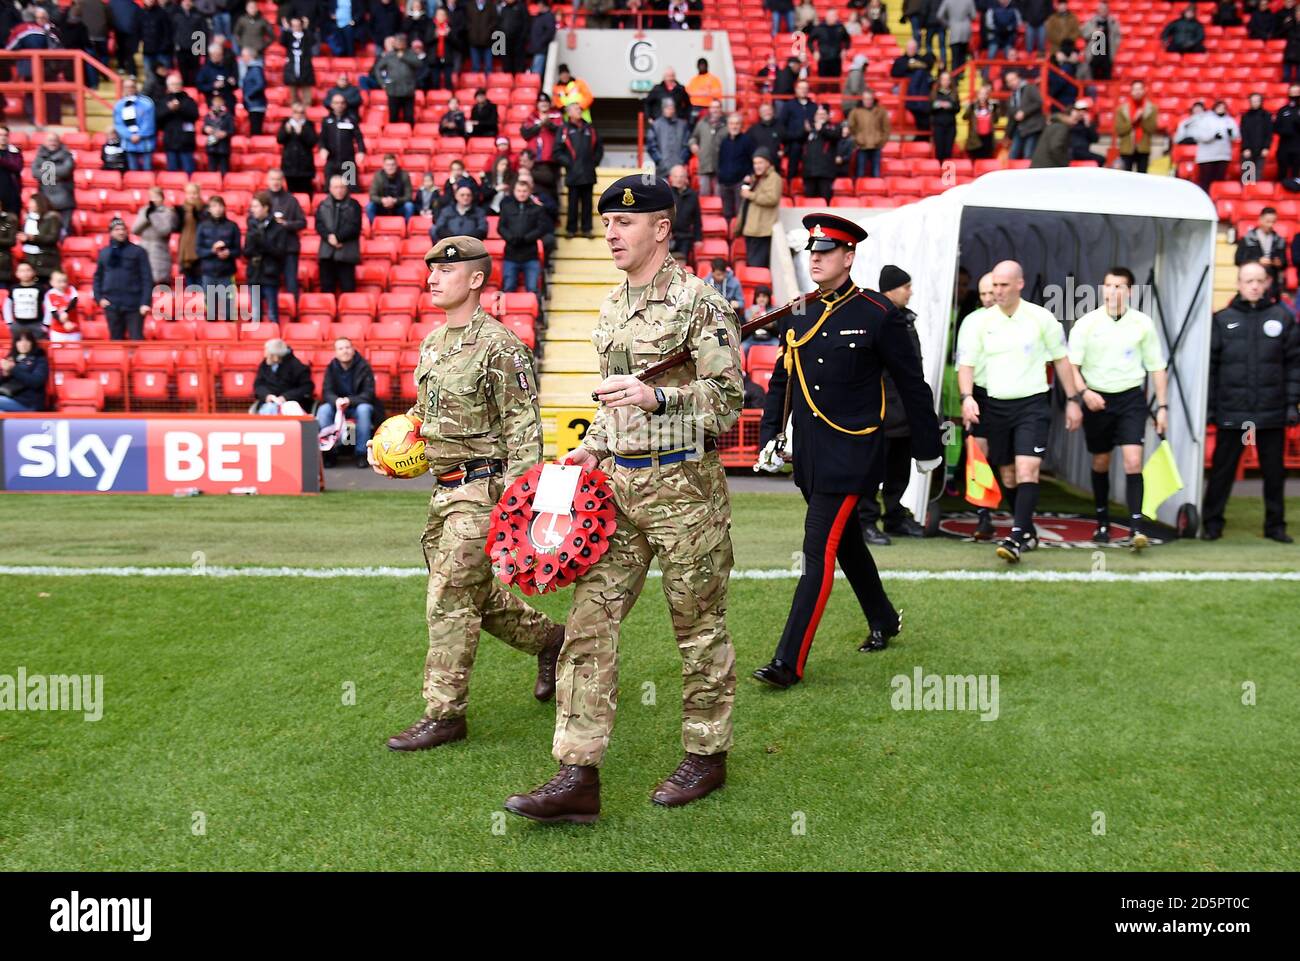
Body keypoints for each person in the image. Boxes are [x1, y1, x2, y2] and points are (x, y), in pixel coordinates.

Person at [504, 175, 742, 823]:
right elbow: (614, 398)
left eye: (625, 223)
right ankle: (577, 773)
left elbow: (727, 404)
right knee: (588, 623)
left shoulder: (700, 303)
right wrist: (595, 448)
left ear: (661, 229)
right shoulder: (610, 306)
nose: (610, 231)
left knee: (697, 624)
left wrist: (659, 395)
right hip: (619, 486)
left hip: (685, 489)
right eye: (606, 221)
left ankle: (706, 753)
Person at [372, 234, 562, 750]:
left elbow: (525, 432)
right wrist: (395, 443)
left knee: (448, 598)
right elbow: (427, 414)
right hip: (443, 489)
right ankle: (553, 641)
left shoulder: (502, 347)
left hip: (482, 493)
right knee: (473, 593)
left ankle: (445, 713)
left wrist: (521, 505)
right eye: (430, 270)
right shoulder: (434, 343)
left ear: (476, 279)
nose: (432, 278)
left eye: (445, 271)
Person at [751, 215, 943, 688]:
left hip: (854, 453)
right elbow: (782, 381)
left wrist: (927, 447)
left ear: (849, 256)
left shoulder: (878, 314)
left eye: (826, 251)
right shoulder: (799, 312)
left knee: (817, 549)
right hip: (811, 455)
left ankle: (787, 662)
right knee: (848, 543)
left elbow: (912, 385)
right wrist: (771, 435)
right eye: (811, 252)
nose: (814, 258)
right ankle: (884, 617)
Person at [957, 260, 1080, 563]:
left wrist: (1074, 400)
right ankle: (1027, 529)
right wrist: (967, 397)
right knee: (1009, 476)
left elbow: (1062, 361)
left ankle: (1015, 537)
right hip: (996, 405)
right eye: (994, 285)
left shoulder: (1041, 318)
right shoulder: (979, 322)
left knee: (1028, 469)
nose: (997, 291)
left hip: (1033, 404)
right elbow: (966, 365)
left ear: (1019, 285)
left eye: (1003, 285)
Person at [1065, 267, 1169, 549]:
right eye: (1108, 286)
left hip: (1131, 399)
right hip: (1096, 399)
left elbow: (1157, 367)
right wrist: (1083, 393)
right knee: (1101, 461)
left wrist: (1163, 407)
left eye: (1119, 287)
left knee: (1134, 460)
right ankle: (1102, 521)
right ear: (1102, 289)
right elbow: (1071, 365)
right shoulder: (1087, 323)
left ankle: (1136, 527)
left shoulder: (1142, 324)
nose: (1113, 292)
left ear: (1130, 291)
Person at [1203, 262, 1300, 543]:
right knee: (1223, 471)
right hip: (1233, 411)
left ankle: (1275, 526)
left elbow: (1294, 366)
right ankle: (1212, 523)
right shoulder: (1222, 319)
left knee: (1274, 473)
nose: (1255, 285)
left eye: (1259, 280)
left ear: (1267, 283)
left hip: (1271, 411)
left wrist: (1291, 405)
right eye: (1249, 280)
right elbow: (1211, 367)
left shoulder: (1282, 318)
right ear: (1238, 283)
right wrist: (1210, 407)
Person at [855, 264, 931, 544]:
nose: (910, 293)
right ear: (891, 289)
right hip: (882, 407)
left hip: (904, 408)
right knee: (873, 469)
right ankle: (866, 521)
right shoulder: (877, 317)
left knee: (900, 468)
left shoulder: (906, 319)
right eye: (906, 287)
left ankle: (895, 517)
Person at [317, 337, 382, 467]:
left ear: (353, 350)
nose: (345, 351)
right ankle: (329, 452)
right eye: (341, 348)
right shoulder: (331, 368)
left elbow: (368, 394)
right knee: (323, 410)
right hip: (337, 406)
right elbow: (326, 392)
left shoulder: (364, 366)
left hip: (357, 405)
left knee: (364, 409)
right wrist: (336, 401)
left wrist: (349, 400)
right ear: (336, 352)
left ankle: (361, 453)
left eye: (347, 347)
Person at [92, 217, 154, 340]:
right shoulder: (104, 253)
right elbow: (98, 277)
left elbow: (147, 278)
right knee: (116, 341)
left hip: (134, 305)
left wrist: (145, 302)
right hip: (112, 305)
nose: (121, 232)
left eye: (123, 229)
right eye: (117, 229)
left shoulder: (138, 252)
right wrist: (99, 298)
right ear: (111, 232)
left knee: (137, 339)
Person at [557, 101, 602, 238]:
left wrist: (593, 162)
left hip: (588, 173)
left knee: (588, 203)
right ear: (569, 113)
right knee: (573, 203)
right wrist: (570, 164)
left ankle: (587, 229)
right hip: (573, 174)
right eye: (576, 109)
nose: (579, 111)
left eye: (579, 109)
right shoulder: (563, 129)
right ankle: (571, 229)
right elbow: (557, 151)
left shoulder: (590, 128)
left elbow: (599, 148)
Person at [243, 192, 288, 323]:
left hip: (270, 274)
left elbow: (280, 252)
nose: (253, 210)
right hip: (254, 274)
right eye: (252, 206)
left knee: (272, 314)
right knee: (255, 314)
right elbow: (246, 253)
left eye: (256, 206)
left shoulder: (278, 228)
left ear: (265, 207)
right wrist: (253, 244)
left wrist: (263, 243)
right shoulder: (251, 228)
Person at [496, 178, 546, 295]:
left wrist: (526, 238)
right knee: (508, 287)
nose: (522, 193)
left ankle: (536, 312)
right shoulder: (507, 207)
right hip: (510, 255)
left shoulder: (538, 208)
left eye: (524, 191)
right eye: (519, 191)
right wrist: (511, 238)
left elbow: (541, 228)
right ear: (514, 191)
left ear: (529, 192)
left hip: (530, 255)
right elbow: (501, 227)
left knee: (533, 289)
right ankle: (507, 313)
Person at [195, 195, 241, 320]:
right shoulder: (202, 226)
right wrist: (212, 251)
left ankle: (229, 337)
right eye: (214, 206)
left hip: (227, 273)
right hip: (208, 273)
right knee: (210, 311)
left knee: (228, 310)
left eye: (220, 206)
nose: (218, 209)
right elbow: (198, 251)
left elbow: (238, 250)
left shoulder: (232, 226)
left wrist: (229, 253)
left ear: (225, 208)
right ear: (209, 209)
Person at [316, 174, 363, 294]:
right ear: (330, 188)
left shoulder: (354, 205)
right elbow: (319, 225)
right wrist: (329, 237)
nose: (339, 190)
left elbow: (354, 227)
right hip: (327, 254)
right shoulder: (323, 205)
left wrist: (338, 238)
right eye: (336, 187)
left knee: (348, 288)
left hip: (346, 254)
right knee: (326, 288)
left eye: (342, 187)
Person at [265, 168, 306, 296]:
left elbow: (302, 222)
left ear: (283, 181)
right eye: (272, 179)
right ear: (268, 180)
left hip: (289, 247)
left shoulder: (291, 200)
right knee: (270, 282)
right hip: (269, 248)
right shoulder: (262, 199)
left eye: (278, 179)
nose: (275, 182)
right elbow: (252, 221)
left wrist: (286, 224)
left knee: (291, 282)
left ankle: (294, 311)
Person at [740, 149, 782, 268]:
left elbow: (772, 199)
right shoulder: (757, 178)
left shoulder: (774, 178)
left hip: (761, 231)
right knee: (752, 265)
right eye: (755, 163)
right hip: (752, 229)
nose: (757, 166)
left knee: (757, 266)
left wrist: (751, 195)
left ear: (768, 163)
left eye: (760, 163)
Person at [1237, 206, 1288, 298]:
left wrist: (1279, 263)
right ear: (1260, 220)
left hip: (1272, 285)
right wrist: (1257, 261)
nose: (1270, 225)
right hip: (1251, 283)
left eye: (1273, 222)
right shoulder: (1247, 238)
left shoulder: (1279, 240)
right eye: (1267, 221)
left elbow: (1284, 263)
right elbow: (1238, 259)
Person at [1192, 100, 1241, 191]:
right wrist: (1213, 136)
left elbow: (1236, 136)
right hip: (1207, 156)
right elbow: (1200, 135)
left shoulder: (1229, 120)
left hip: (1223, 155)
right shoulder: (1206, 119)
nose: (1221, 109)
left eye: (1223, 107)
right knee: (1206, 180)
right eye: (1219, 107)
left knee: (1219, 181)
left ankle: (1217, 196)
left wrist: (1231, 134)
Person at [254, 338, 312, 413]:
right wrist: (267, 396)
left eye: (269, 355)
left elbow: (306, 387)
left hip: (290, 403)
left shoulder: (297, 366)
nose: (265, 356)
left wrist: (285, 397)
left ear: (276, 357)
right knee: (268, 408)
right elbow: (258, 384)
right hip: (268, 403)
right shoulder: (264, 365)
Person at [371, 34, 420, 125]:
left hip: (408, 91)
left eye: (402, 41)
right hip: (393, 90)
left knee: (409, 117)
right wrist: (382, 83)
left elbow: (418, 65)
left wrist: (404, 57)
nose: (400, 43)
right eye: (398, 41)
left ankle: (409, 134)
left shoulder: (411, 54)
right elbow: (378, 68)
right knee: (393, 116)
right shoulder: (389, 55)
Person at [133, 187, 177, 285]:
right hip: (144, 249)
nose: (154, 199)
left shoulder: (168, 212)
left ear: (162, 198)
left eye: (156, 197)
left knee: (160, 286)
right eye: (152, 197)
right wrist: (146, 217)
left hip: (160, 251)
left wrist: (152, 216)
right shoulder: (144, 211)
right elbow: (135, 230)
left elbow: (165, 231)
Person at [157, 73, 199, 174]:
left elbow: (195, 115)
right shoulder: (163, 101)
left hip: (186, 141)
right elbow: (158, 118)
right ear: (168, 86)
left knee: (189, 170)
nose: (176, 86)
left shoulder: (189, 100)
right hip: (170, 140)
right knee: (172, 172)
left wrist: (179, 108)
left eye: (177, 84)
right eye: (173, 84)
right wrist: (169, 109)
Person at [113, 76, 157, 171]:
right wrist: (130, 136)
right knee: (133, 171)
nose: (129, 89)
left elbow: (149, 122)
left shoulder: (147, 103)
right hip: (129, 143)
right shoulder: (119, 105)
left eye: (131, 86)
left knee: (147, 169)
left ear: (136, 87)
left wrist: (139, 135)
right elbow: (118, 124)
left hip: (146, 142)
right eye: (127, 87)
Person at [1114, 80, 1158, 174]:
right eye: (1135, 89)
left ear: (1144, 90)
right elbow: (1120, 130)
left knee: (1142, 177)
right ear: (1131, 91)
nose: (1137, 91)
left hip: (1143, 148)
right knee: (1125, 176)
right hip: (1126, 148)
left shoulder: (1152, 108)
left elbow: (1151, 129)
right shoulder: (1121, 109)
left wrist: (1142, 119)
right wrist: (1133, 121)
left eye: (1140, 89)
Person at [777, 78, 818, 178]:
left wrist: (811, 129)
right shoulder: (788, 106)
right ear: (796, 90)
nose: (803, 90)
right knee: (793, 166)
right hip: (793, 142)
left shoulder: (814, 106)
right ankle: (791, 185)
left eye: (805, 88)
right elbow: (782, 125)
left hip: (810, 142)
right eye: (801, 88)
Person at [277, 100, 318, 196]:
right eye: (296, 112)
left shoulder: (309, 124)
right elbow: (279, 140)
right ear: (292, 112)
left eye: (301, 112)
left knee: (306, 193)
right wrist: (286, 131)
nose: (298, 115)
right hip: (289, 166)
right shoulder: (286, 123)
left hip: (305, 167)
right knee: (291, 193)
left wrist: (302, 133)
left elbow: (312, 142)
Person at [0, 331, 47, 412]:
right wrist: (4, 375)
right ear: (15, 343)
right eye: (19, 340)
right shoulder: (11, 357)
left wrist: (13, 369)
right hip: (8, 397)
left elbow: (36, 382)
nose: (23, 344)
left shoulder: (39, 360)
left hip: (28, 403)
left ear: (32, 343)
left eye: (27, 340)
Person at [18, 194, 61, 283]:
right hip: (30, 258)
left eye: (31, 202)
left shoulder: (52, 218)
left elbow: (53, 238)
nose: (29, 205)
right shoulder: (29, 218)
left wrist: (33, 238)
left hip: (46, 258)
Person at [1004, 69, 1044, 161]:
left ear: (1018, 78)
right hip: (1020, 129)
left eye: (1013, 79)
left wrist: (1024, 112)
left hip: (1032, 127)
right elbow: (1011, 118)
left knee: (1028, 154)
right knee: (1012, 155)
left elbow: (1039, 102)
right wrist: (1007, 135)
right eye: (1009, 81)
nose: (1012, 83)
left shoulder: (1030, 88)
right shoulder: (1011, 98)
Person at [647, 97, 690, 181]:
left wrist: (681, 161)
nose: (670, 110)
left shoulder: (683, 125)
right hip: (662, 170)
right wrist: (660, 161)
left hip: (679, 171)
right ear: (663, 109)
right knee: (663, 192)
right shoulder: (656, 125)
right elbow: (651, 146)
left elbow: (687, 145)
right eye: (667, 107)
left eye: (671, 107)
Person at [174, 182, 207, 289]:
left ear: (199, 194)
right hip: (186, 251)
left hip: (201, 251)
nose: (192, 196)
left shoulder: (205, 209)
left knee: (201, 286)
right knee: (190, 287)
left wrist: (197, 213)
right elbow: (177, 229)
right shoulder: (182, 210)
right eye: (189, 193)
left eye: (194, 193)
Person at [690, 99, 726, 197]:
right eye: (713, 107)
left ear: (721, 109)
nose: (715, 110)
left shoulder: (727, 124)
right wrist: (693, 144)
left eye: (717, 107)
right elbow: (693, 137)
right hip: (705, 164)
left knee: (719, 196)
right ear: (709, 109)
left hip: (721, 166)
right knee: (704, 195)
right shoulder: (702, 123)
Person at [367, 153, 414, 223]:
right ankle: (374, 227)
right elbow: (372, 196)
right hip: (382, 206)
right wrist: (382, 200)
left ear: (396, 165)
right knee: (370, 206)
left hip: (398, 206)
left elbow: (409, 196)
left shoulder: (404, 175)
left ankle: (406, 228)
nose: (390, 167)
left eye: (393, 165)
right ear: (383, 166)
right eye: (388, 165)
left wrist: (395, 201)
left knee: (409, 206)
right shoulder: (378, 176)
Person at [1079, 1, 1120, 81]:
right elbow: (1083, 34)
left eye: (1105, 8)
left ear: (1108, 10)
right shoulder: (1091, 22)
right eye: (1101, 8)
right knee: (1091, 79)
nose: (1103, 10)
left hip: (1107, 56)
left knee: (1107, 80)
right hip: (1094, 56)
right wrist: (1094, 32)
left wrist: (1115, 48)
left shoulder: (1113, 22)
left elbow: (1117, 37)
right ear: (1098, 9)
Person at [280, 15, 316, 105]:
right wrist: (285, 29)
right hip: (292, 65)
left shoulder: (306, 35)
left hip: (305, 65)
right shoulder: (289, 36)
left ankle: (307, 109)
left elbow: (313, 41)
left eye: (298, 25)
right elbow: (282, 41)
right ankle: (294, 110)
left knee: (306, 90)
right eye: (294, 25)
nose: (296, 27)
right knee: (292, 92)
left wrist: (306, 28)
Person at [4, 263, 46, 338]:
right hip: (18, 324)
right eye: (22, 271)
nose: (25, 273)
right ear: (17, 273)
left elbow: (48, 306)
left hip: (36, 324)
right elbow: (7, 305)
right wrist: (9, 322)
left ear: (34, 272)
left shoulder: (40, 288)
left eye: (28, 270)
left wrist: (46, 324)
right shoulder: (13, 288)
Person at [807, 8, 851, 78]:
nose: (834, 17)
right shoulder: (819, 28)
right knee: (823, 83)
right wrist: (814, 51)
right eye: (832, 15)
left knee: (835, 83)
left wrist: (844, 49)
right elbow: (809, 41)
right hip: (823, 60)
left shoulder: (840, 27)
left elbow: (847, 40)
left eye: (835, 16)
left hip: (836, 60)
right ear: (826, 16)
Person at [196, 42, 238, 113]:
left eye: (221, 54)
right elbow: (199, 86)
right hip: (212, 100)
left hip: (227, 101)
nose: (220, 57)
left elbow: (234, 85)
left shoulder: (226, 67)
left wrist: (232, 82)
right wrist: (213, 86)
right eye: (217, 55)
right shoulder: (205, 70)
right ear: (211, 55)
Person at [938, 0, 976, 71]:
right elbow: (973, 15)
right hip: (965, 29)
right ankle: (961, 75)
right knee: (963, 56)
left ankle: (955, 77)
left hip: (954, 28)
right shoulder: (969, 1)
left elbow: (940, 15)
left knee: (955, 57)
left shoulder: (947, 1)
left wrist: (948, 24)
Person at [43, 270, 80, 343]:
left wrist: (66, 312)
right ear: (52, 282)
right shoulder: (50, 294)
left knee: (74, 351)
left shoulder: (71, 289)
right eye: (59, 281)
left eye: (65, 281)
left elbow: (74, 302)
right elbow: (53, 312)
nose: (63, 284)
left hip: (74, 330)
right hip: (57, 331)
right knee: (57, 352)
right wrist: (65, 322)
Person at [930, 72, 960, 162]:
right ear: (940, 81)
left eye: (947, 79)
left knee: (948, 151)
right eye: (943, 79)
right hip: (938, 125)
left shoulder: (954, 93)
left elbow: (958, 109)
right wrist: (937, 105)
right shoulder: (934, 93)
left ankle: (946, 172)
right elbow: (929, 109)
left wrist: (950, 106)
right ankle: (939, 171)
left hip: (950, 125)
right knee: (939, 150)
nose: (945, 82)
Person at [238, 45, 267, 136]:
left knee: (256, 129)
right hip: (252, 104)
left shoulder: (255, 69)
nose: (242, 58)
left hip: (256, 104)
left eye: (244, 55)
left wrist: (248, 95)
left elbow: (260, 84)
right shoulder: (250, 69)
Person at [202, 96, 235, 175]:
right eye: (215, 104)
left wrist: (225, 133)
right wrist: (206, 129)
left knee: (224, 169)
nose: (217, 105)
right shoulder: (208, 116)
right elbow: (203, 129)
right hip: (211, 145)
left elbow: (232, 130)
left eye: (219, 103)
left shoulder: (228, 116)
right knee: (212, 168)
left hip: (223, 146)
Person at [527, 0, 554, 75]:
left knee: (536, 70)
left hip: (541, 49)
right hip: (534, 48)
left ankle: (536, 85)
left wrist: (540, 42)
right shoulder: (538, 16)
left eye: (539, 5)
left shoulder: (548, 16)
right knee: (533, 69)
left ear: (543, 5)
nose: (538, 7)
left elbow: (550, 32)